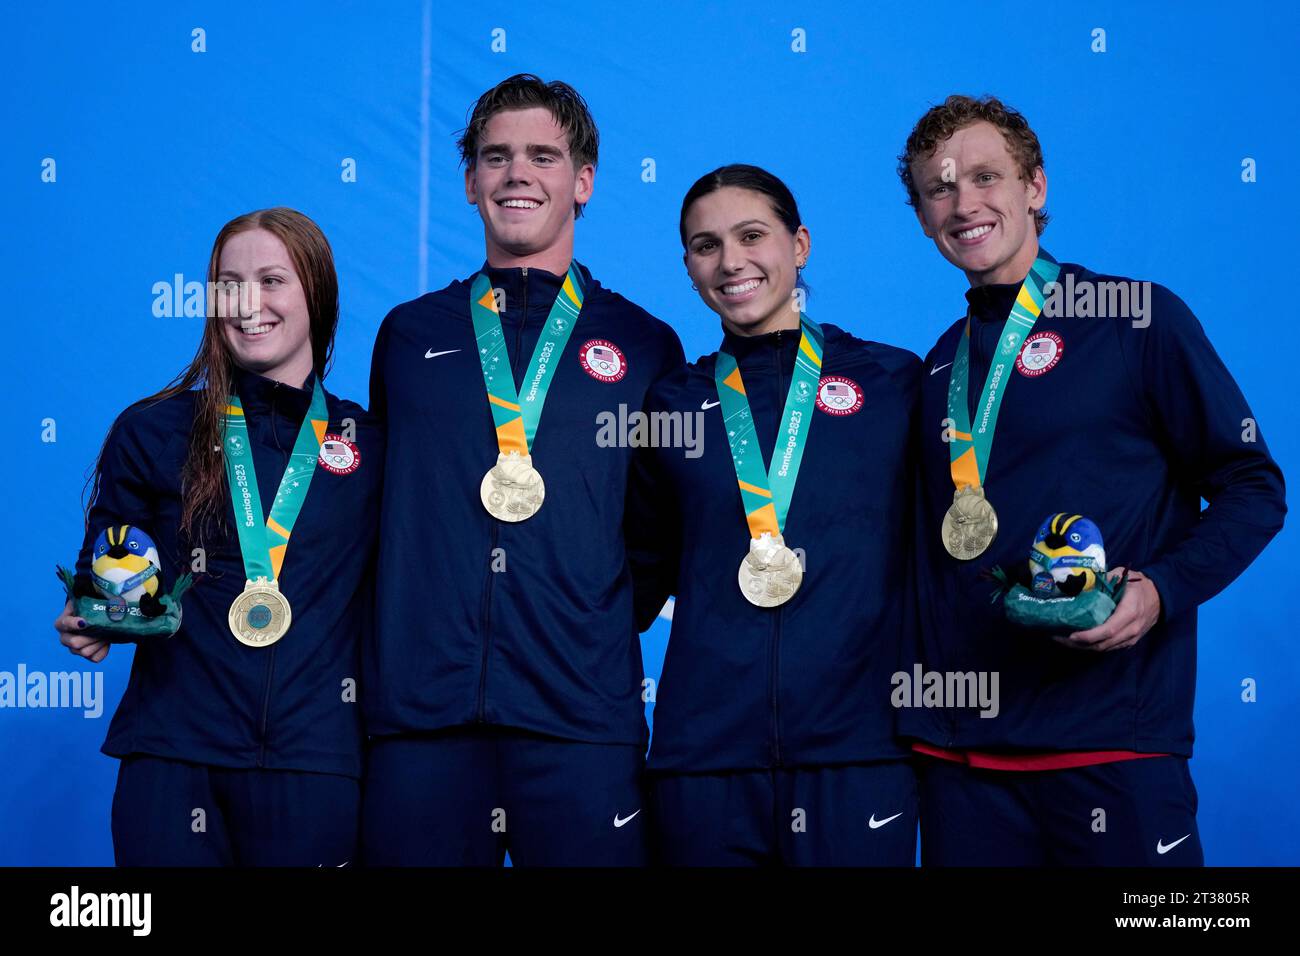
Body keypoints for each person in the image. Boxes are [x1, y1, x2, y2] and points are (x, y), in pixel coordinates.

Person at [897, 95, 1286, 865]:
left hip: (1111, 749)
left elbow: (1252, 486)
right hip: (961, 764)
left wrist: (1160, 589)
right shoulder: (941, 361)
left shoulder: (1136, 318)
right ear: (920, 214)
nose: (964, 203)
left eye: (985, 177)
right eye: (939, 189)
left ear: (1035, 188)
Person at [362, 74, 684, 866]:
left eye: (543, 156)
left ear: (582, 183)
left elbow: (656, 534)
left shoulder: (646, 344)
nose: (517, 174)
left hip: (580, 717)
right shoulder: (407, 336)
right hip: (421, 720)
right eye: (495, 157)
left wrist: (581, 620)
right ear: (470, 181)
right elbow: (380, 515)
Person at [55, 207, 382, 866]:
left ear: (316, 294)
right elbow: (111, 569)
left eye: (271, 281)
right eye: (229, 285)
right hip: (173, 759)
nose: (247, 304)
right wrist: (96, 612)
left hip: (315, 766)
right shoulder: (154, 432)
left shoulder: (371, 446)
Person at [627, 164, 921, 865]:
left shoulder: (892, 382)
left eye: (752, 235)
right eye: (705, 245)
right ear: (688, 265)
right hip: (704, 759)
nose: (731, 262)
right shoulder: (671, 405)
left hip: (859, 754)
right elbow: (633, 579)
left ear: (800, 245)